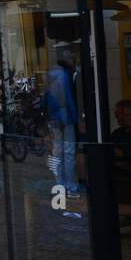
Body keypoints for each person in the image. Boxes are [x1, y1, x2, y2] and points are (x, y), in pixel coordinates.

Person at [46, 51, 81, 196]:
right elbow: (68, 100)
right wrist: (76, 118)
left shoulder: (51, 75)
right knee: (68, 152)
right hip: (65, 118)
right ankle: (71, 187)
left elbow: (46, 97)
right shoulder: (64, 76)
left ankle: (59, 184)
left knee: (58, 152)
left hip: (54, 118)